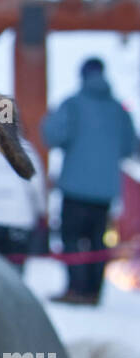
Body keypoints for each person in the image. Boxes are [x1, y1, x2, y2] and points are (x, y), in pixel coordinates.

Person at [43, 58, 137, 306]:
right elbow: (130, 147)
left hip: (74, 186)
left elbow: (53, 136)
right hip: (105, 191)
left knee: (72, 237)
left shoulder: (73, 104)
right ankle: (94, 291)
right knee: (98, 240)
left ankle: (76, 289)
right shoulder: (119, 110)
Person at [0, 137, 46, 274]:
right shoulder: (28, 152)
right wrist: (40, 211)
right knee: (17, 267)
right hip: (22, 219)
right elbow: (37, 186)